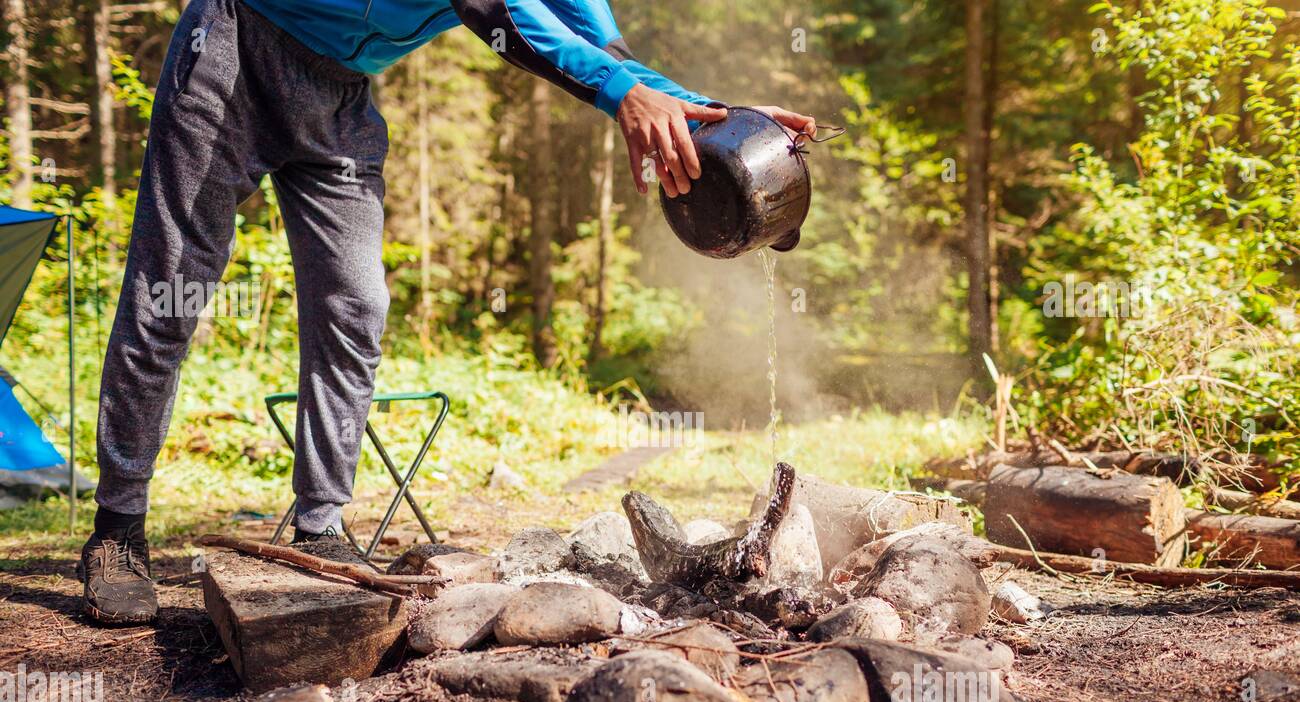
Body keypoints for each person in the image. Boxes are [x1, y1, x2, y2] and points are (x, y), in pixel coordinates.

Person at [79, 0, 816, 623]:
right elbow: (498, 11)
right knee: (169, 289)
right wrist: (622, 93)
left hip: (340, 94)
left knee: (355, 303)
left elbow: (595, 45)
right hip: (238, 51)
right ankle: (117, 530)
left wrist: (712, 119)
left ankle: (319, 526)